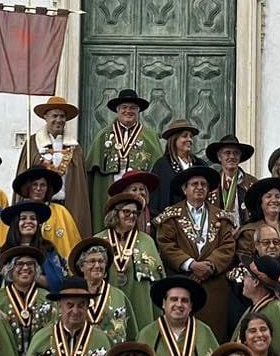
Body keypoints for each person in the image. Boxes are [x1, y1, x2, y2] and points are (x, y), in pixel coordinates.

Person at [153, 163, 237, 336]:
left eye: (203, 184)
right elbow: (165, 244)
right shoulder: (170, 217)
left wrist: (209, 265)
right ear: (185, 189)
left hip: (214, 287)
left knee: (213, 336)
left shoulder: (222, 217)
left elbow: (228, 245)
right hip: (182, 282)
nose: (199, 187)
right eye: (194, 184)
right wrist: (191, 264)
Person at [98, 175, 165, 336]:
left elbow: (159, 278)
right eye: (126, 212)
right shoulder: (100, 240)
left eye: (135, 213)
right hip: (109, 303)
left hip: (141, 303)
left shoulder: (147, 241)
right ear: (115, 214)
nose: (132, 216)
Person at [19, 96, 91, 239]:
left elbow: (80, 183)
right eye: (54, 116)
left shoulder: (75, 147)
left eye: (62, 116)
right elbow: (24, 175)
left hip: (68, 206)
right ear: (45, 117)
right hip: (39, 206)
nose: (59, 120)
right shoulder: (33, 144)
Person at [86, 87, 156, 231]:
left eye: (133, 108)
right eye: (124, 107)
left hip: (138, 195)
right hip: (109, 192)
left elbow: (157, 169)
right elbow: (90, 172)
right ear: (117, 110)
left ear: (138, 111)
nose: (128, 111)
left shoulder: (150, 136)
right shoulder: (103, 135)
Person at [66, 238, 133, 342]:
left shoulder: (119, 295)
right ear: (81, 266)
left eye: (101, 261)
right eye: (92, 261)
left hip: (114, 351)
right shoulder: (71, 295)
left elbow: (131, 335)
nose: (97, 266)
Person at [10, 165, 81, 261]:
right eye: (34, 184)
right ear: (27, 187)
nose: (38, 188)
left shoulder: (61, 211)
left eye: (43, 185)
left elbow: (73, 243)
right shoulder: (18, 211)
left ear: (48, 188)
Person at [205, 134, 256, 226]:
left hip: (245, 233)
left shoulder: (252, 183)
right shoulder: (211, 183)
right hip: (218, 232)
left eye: (236, 153)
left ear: (240, 157)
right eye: (227, 153)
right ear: (219, 157)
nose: (232, 156)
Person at [150, 118, 203, 206]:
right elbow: (155, 197)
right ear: (174, 139)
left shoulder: (200, 164)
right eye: (185, 136)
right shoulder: (162, 165)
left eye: (191, 136)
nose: (189, 139)